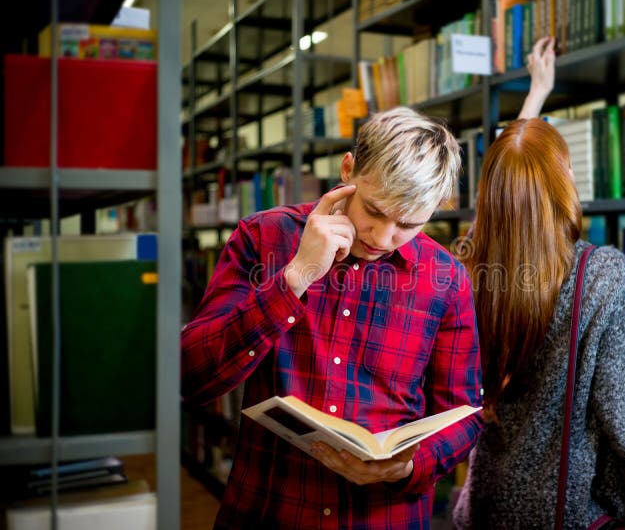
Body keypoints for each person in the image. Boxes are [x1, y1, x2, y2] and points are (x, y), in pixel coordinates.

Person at [181, 106, 483, 529]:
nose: (382, 237)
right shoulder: (263, 237)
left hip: (383, 517)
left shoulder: (447, 279)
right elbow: (192, 377)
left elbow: (464, 415)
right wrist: (295, 277)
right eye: (375, 211)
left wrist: (406, 468)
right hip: (269, 511)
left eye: (408, 224)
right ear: (348, 170)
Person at [451, 107, 625, 527]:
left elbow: (505, 194)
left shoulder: (466, 270)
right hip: (566, 512)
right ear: (564, 184)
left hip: (485, 505)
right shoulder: (601, 275)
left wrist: (535, 99)